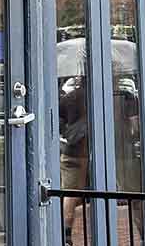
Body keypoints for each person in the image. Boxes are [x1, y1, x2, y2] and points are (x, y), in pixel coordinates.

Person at [58, 77, 89, 246]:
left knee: (70, 194)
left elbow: (57, 119)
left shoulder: (70, 97)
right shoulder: (101, 95)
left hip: (73, 151)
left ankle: (66, 236)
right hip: (84, 151)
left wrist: (67, 133)